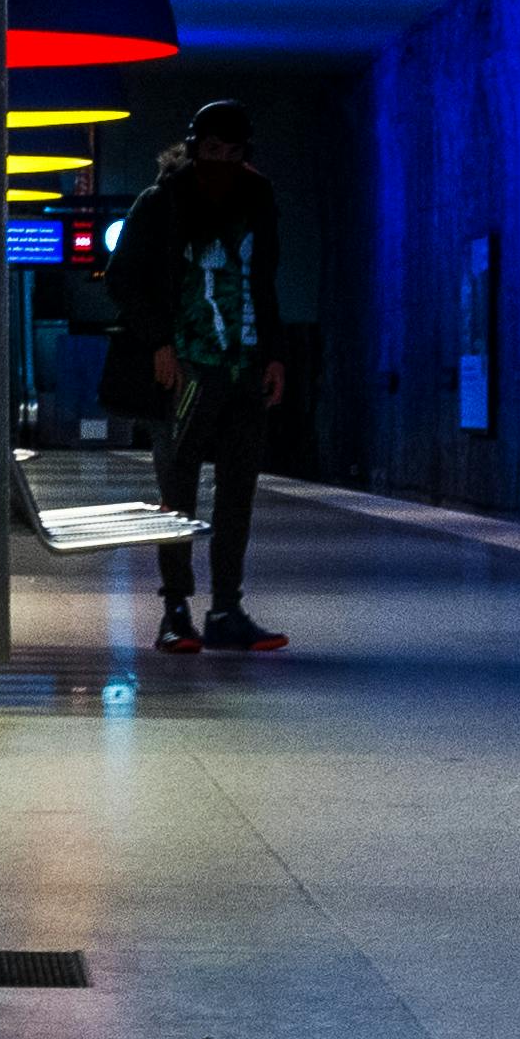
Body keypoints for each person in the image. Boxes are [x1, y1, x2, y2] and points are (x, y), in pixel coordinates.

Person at [103, 98, 290, 654]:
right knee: (177, 492)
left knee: (238, 491)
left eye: (234, 153)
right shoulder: (162, 203)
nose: (223, 162)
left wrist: (273, 353)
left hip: (244, 363)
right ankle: (176, 609)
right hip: (185, 371)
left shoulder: (257, 200)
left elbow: (265, 279)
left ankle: (226, 607)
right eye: (212, 151)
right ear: (194, 148)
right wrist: (160, 341)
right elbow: (123, 279)